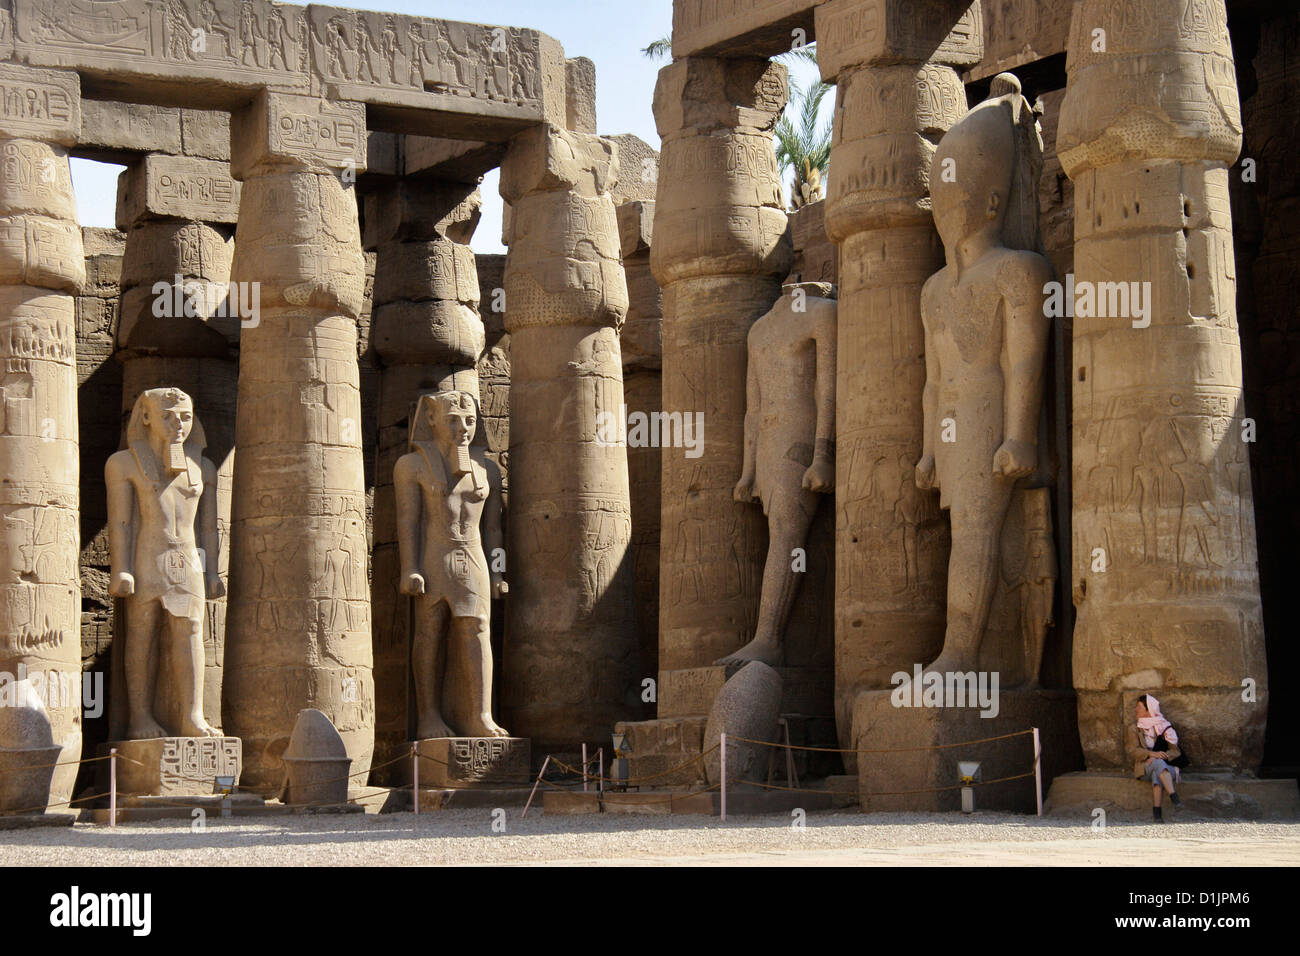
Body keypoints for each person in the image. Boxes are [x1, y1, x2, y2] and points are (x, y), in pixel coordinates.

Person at [1132, 694, 1184, 822]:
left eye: (1139, 707)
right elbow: (1133, 751)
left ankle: (1157, 815)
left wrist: (1159, 757)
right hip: (1144, 767)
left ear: (1149, 710)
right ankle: (1174, 796)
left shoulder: (1164, 726)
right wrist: (1151, 754)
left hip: (1166, 767)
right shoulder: (1134, 729)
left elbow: (1175, 751)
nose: (1135, 709)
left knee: (1158, 769)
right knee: (1158, 764)